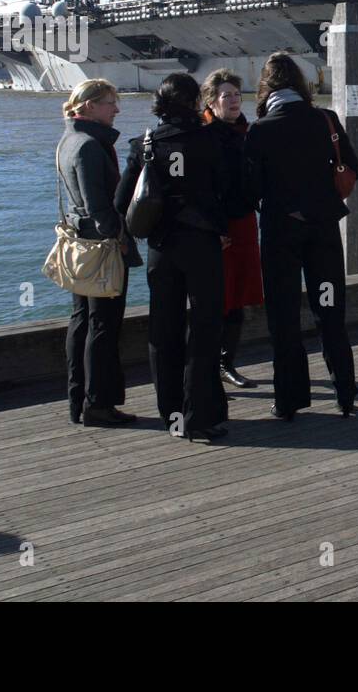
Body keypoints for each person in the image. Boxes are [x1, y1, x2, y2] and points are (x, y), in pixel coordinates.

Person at [245, 53, 358, 420]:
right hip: (323, 228)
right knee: (330, 311)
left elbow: (251, 189)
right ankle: (345, 392)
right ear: (301, 83)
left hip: (281, 232)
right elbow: (353, 168)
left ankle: (289, 401)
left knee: (284, 316)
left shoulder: (259, 130)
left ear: (266, 87)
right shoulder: (325, 119)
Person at [116, 73, 230, 442]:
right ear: (196, 100)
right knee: (205, 329)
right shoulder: (214, 139)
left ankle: (173, 416)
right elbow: (236, 193)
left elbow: (122, 204)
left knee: (163, 330)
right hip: (203, 245)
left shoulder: (143, 144)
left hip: (161, 249)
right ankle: (202, 414)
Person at [57, 79, 141, 427]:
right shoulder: (91, 146)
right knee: (104, 326)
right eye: (109, 103)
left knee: (81, 322)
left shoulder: (67, 140)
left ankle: (77, 399)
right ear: (88, 105)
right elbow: (99, 208)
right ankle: (99, 403)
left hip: (80, 246)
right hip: (101, 248)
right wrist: (120, 236)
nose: (116, 109)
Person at [201, 68, 263, 388]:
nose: (235, 100)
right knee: (216, 298)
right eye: (227, 95)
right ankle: (207, 367)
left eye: (238, 94)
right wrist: (215, 227)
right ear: (211, 102)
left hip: (244, 224)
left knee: (238, 296)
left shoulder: (247, 133)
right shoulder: (203, 136)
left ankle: (227, 363)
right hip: (217, 230)